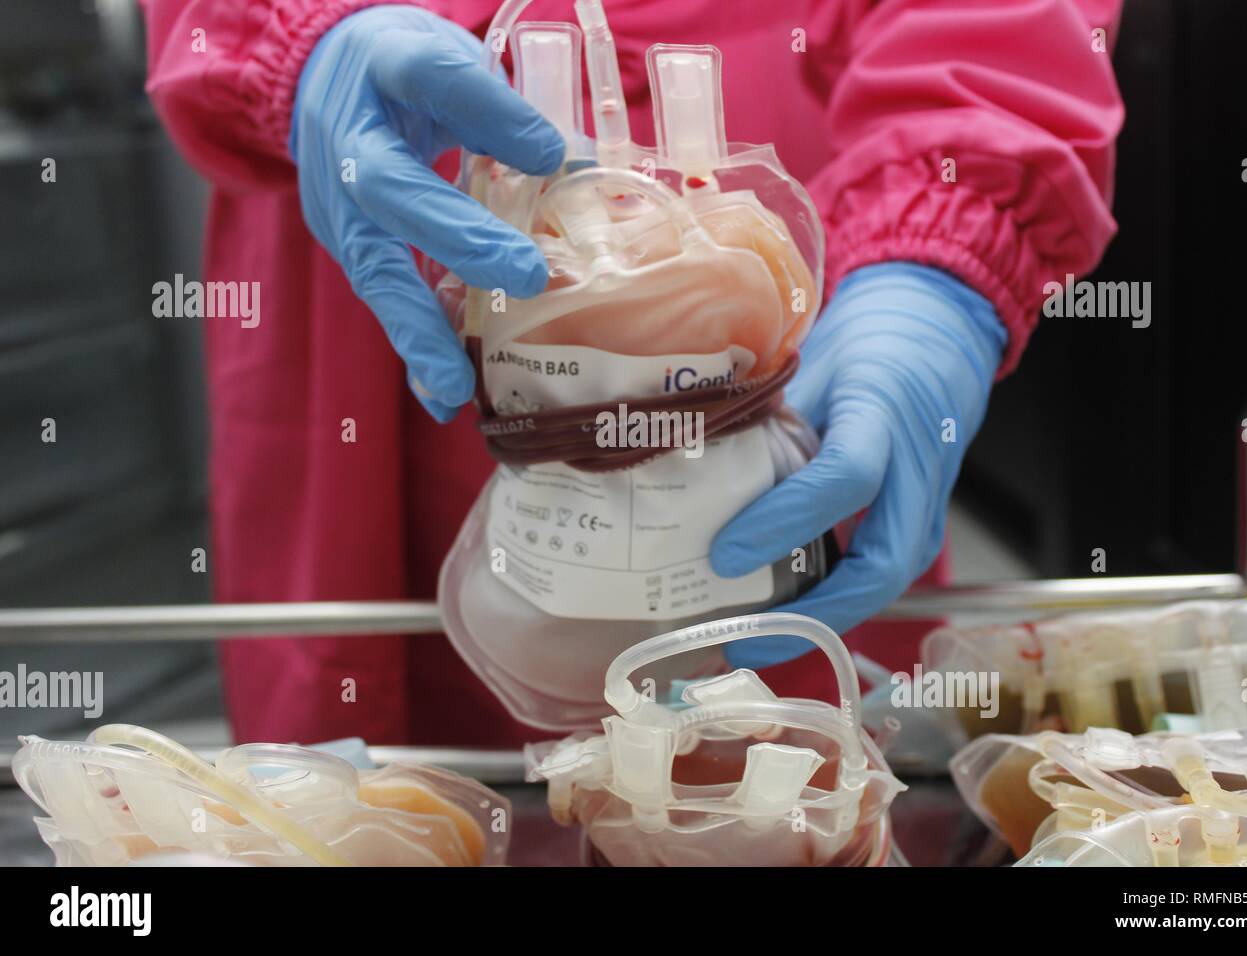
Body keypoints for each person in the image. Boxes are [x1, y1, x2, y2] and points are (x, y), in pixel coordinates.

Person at [141, 0, 1124, 746]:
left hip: (783, 198)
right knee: (384, 785)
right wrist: (294, 38)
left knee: (769, 746)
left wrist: (934, 260)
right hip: (391, 183)